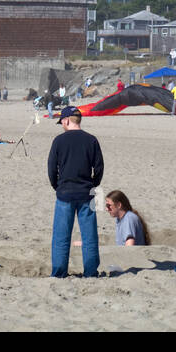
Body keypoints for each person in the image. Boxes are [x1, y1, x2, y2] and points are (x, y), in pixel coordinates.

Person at [47, 106, 104, 278]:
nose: (62, 125)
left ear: (66, 121)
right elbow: (99, 168)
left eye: (62, 122)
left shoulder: (59, 141)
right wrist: (93, 185)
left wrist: (56, 186)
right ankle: (91, 272)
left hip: (65, 194)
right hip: (87, 193)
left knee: (61, 237)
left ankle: (59, 272)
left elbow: (51, 168)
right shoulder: (92, 140)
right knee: (90, 237)